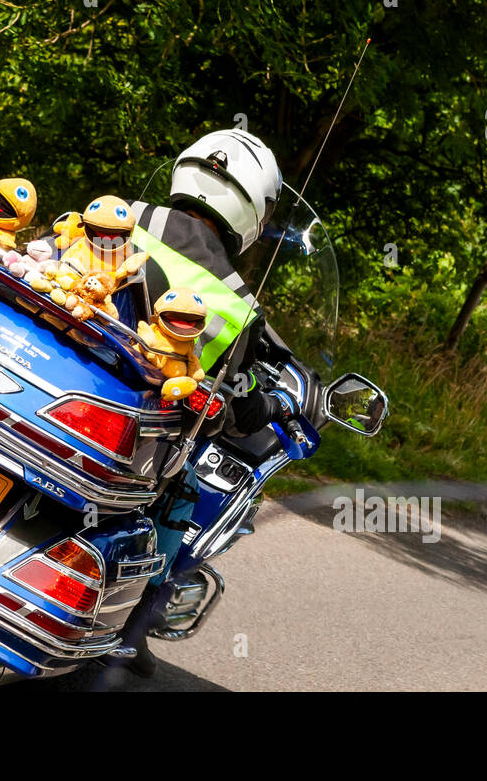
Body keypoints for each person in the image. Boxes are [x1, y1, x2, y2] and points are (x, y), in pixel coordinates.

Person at [118, 128, 316, 678]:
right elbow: (229, 402)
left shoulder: (116, 212)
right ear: (251, 208)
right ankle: (132, 630)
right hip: (125, 433)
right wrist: (269, 407)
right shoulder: (235, 298)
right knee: (182, 489)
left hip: (32, 380)